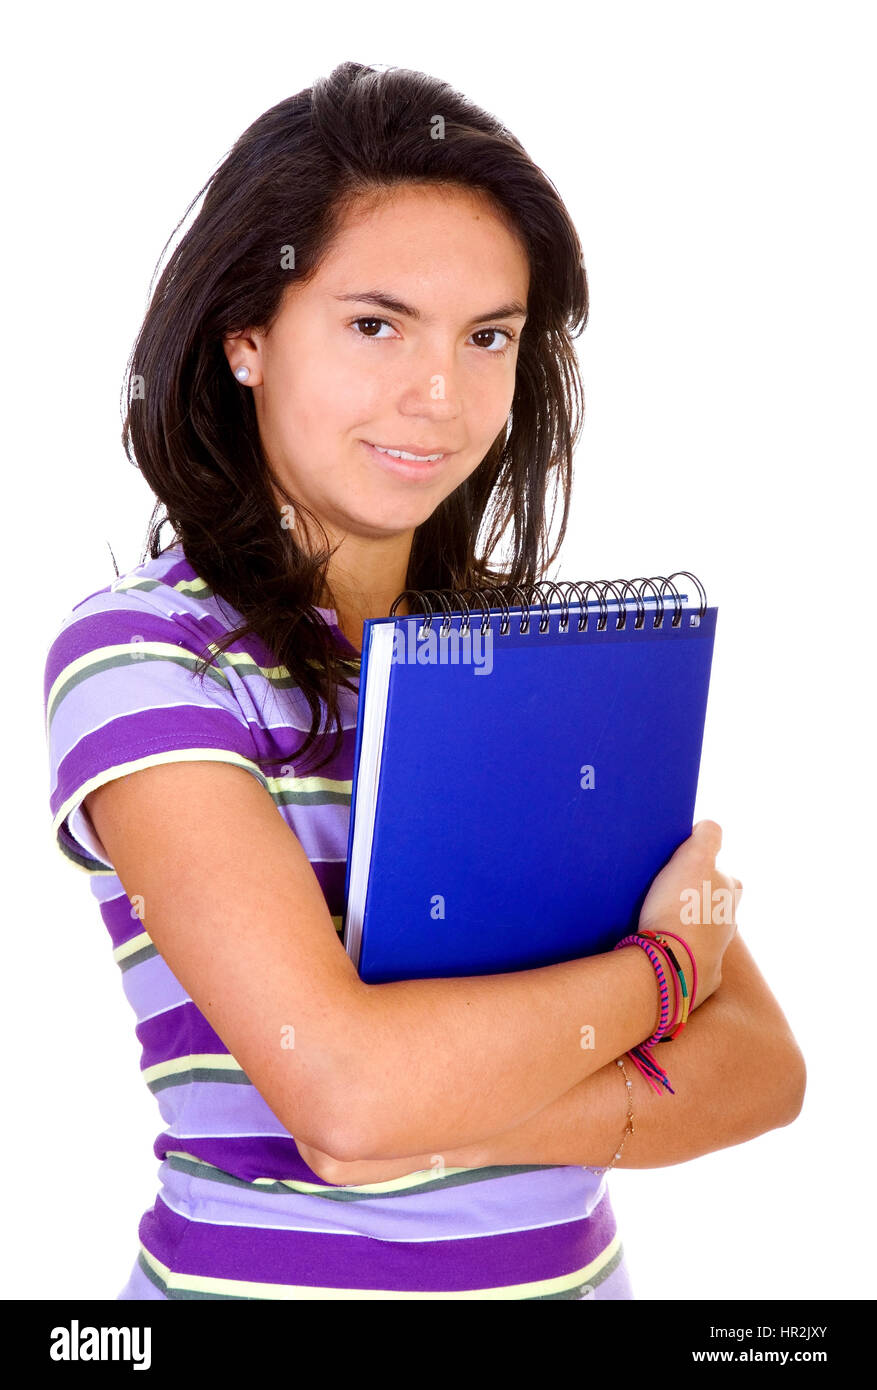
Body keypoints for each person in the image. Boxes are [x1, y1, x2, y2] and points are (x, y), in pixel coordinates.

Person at [43, 61, 806, 1301]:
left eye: (487, 335)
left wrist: (462, 1124)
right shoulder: (146, 658)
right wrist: (663, 974)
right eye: (374, 323)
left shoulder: (535, 653)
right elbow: (342, 1088)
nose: (439, 397)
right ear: (247, 335)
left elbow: (763, 1069)